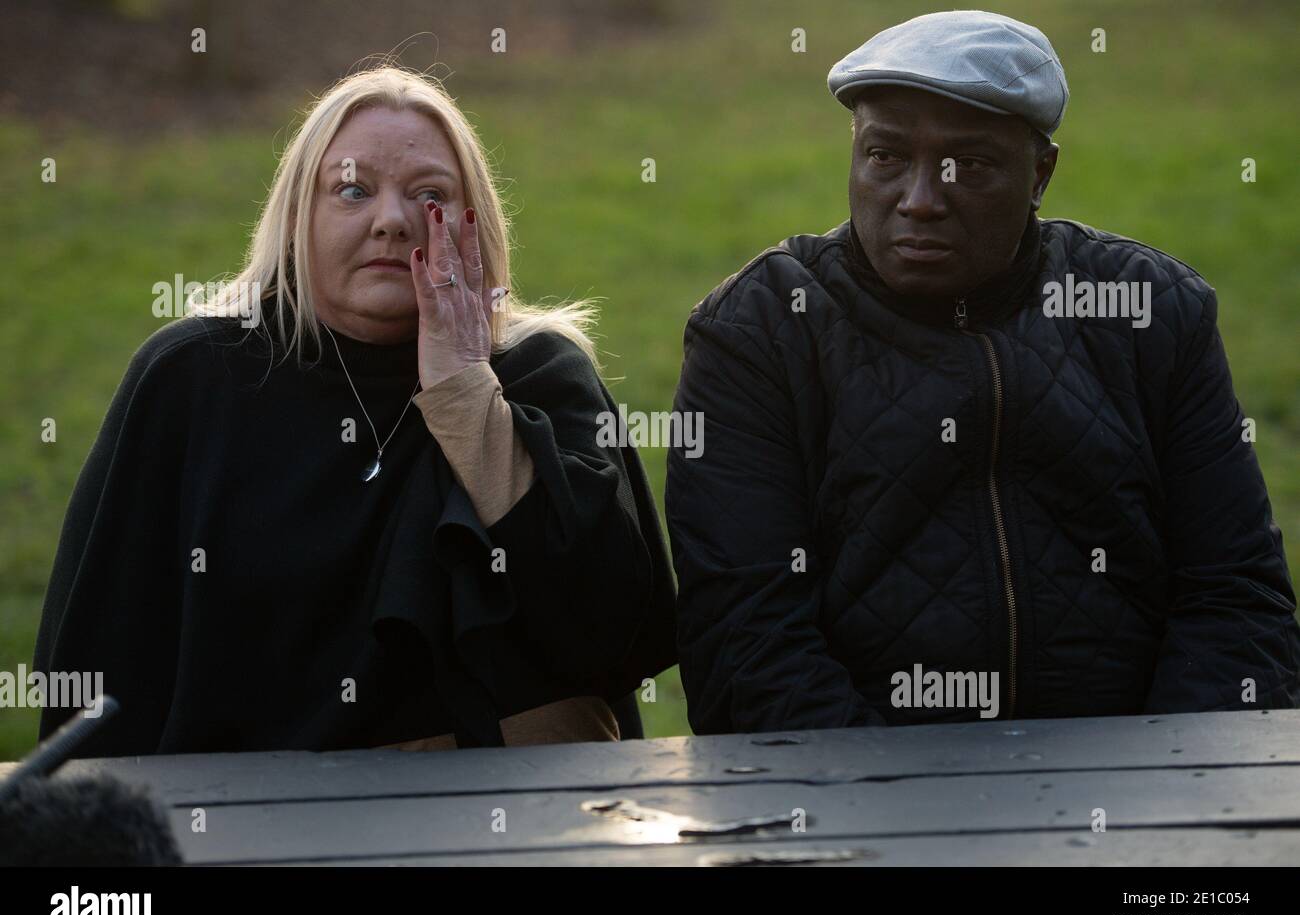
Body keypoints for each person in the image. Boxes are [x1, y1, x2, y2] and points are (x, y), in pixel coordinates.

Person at [666, 11, 1299, 732]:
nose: (920, 200)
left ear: (1041, 174)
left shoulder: (1151, 312)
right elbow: (745, 644)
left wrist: (1162, 792)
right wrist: (898, 821)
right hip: (858, 817)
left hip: (1134, 792)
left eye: (969, 165)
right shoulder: (761, 331)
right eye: (885, 157)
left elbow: (1235, 599)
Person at [33, 65, 675, 756]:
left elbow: (616, 633)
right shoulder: (194, 381)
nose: (392, 221)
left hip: (514, 822)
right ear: (295, 221)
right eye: (351, 190)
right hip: (243, 827)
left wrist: (465, 390)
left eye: (428, 195)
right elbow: (101, 659)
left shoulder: (540, 374)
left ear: (474, 224)